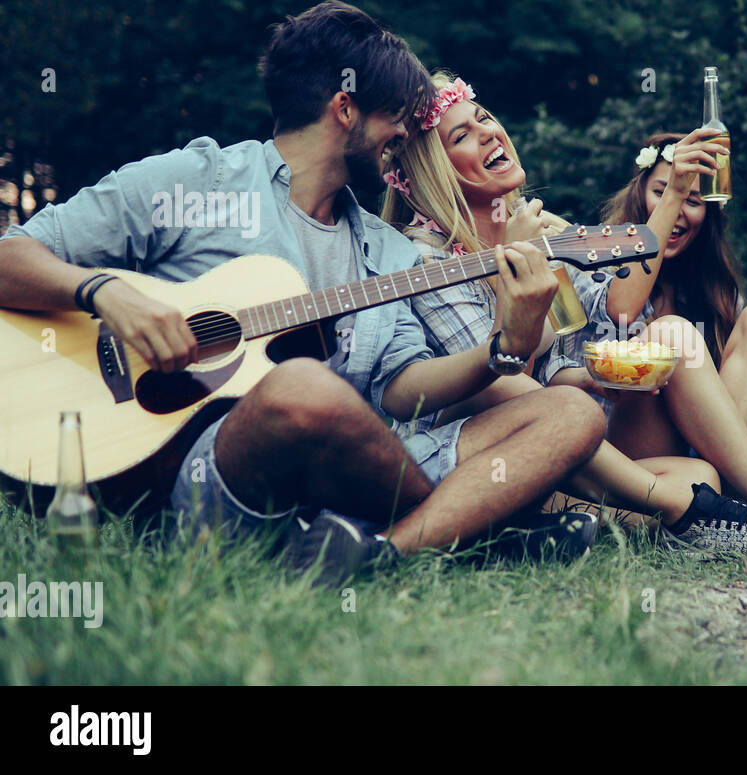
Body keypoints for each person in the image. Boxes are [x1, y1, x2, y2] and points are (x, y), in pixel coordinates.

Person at [0, 2, 607, 584]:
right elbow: (11, 255)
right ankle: (481, 530)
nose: (404, 138)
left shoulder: (384, 251)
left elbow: (401, 388)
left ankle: (382, 552)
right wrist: (103, 291)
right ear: (345, 108)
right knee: (300, 385)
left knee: (573, 412)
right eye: (395, 118)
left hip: (360, 466)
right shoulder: (200, 180)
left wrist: (504, 346)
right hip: (198, 467)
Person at [380, 71, 747, 553]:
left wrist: (599, 374)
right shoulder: (428, 261)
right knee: (692, 469)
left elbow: (616, 307)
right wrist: (576, 374)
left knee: (678, 341)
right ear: (433, 168)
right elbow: (509, 385)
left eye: (486, 116)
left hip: (599, 440)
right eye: (463, 134)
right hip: (524, 456)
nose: (490, 133)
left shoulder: (544, 228)